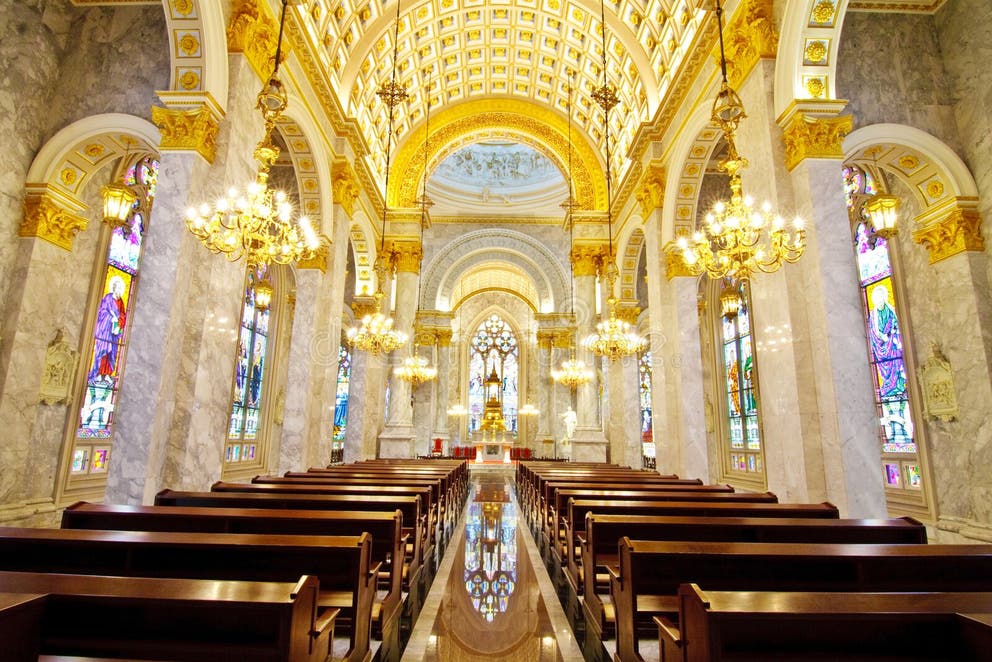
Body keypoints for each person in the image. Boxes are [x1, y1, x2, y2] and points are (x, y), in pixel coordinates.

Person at [868, 284, 906, 398]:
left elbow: (895, 322)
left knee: (896, 361)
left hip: (892, 343)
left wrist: (891, 332)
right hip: (881, 345)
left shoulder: (890, 310)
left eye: (881, 296)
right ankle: (888, 388)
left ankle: (899, 387)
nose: (880, 299)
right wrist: (882, 336)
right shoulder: (873, 314)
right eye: (877, 297)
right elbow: (874, 331)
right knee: (886, 366)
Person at [88, 275, 126, 385]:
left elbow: (123, 315)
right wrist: (111, 318)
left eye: (120, 288)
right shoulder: (108, 298)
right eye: (117, 288)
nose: (118, 290)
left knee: (112, 353)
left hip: (114, 332)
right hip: (105, 330)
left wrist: (119, 324)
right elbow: (102, 311)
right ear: (114, 288)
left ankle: (108, 374)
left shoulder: (121, 302)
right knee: (103, 351)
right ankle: (99, 373)